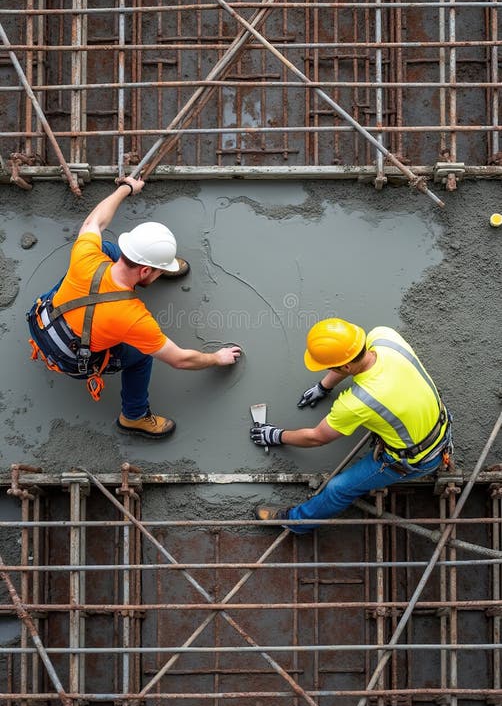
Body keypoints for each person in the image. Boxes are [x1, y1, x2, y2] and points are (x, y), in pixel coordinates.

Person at [27, 176, 240, 438]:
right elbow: (180, 360)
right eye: (160, 270)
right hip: (71, 356)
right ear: (146, 270)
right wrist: (217, 358)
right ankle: (134, 416)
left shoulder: (86, 257)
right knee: (140, 355)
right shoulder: (134, 318)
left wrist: (126, 189)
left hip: (46, 322)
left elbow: (93, 222)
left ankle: (141, 262)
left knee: (102, 247)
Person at [250, 317, 452, 531]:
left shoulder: (357, 402)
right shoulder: (384, 335)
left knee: (338, 489)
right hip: (438, 425)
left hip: (420, 459)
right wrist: (323, 386)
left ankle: (297, 522)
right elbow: (353, 364)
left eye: (330, 368)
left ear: (345, 366)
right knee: (382, 410)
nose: (329, 371)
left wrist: (275, 435)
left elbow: (317, 437)